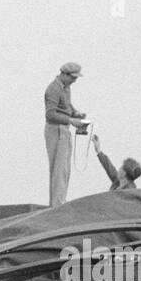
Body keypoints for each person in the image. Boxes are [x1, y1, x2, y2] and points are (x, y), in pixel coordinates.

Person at [44, 62, 88, 206]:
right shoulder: (53, 89)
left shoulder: (66, 88)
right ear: (64, 74)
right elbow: (50, 114)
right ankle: (57, 203)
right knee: (58, 167)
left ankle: (59, 200)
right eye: (73, 78)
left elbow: (66, 105)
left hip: (64, 129)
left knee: (64, 169)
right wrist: (71, 120)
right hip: (56, 130)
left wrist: (76, 113)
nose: (74, 81)